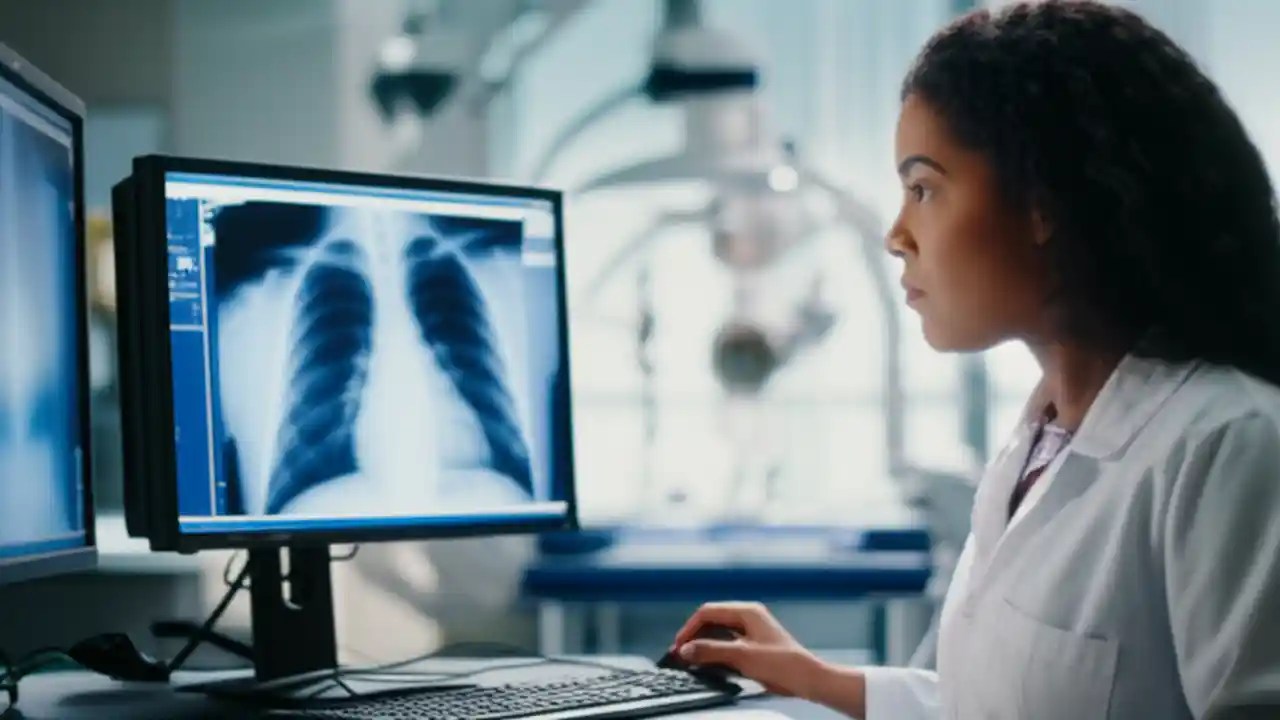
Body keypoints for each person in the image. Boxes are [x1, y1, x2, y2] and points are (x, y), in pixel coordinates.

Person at [669, 2, 1280, 718]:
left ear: (1044, 201)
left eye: (924, 188)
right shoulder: (1043, 440)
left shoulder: (1229, 444)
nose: (897, 234)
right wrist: (815, 679)